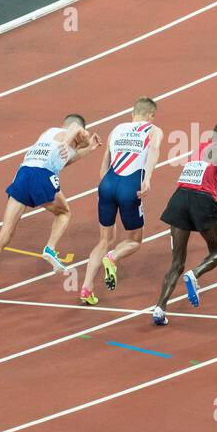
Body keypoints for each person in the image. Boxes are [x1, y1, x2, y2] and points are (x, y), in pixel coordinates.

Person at [0, 115, 102, 302]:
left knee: (4, 236)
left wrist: (88, 149)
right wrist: (68, 142)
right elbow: (75, 128)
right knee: (64, 213)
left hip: (22, 175)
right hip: (41, 175)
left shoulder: (47, 133)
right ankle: (50, 248)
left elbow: (65, 160)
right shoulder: (72, 131)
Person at [150, 123, 217, 325]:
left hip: (180, 199)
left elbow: (204, 182)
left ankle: (159, 308)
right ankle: (195, 274)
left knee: (176, 263)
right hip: (202, 203)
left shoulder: (199, 148)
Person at [78, 97, 163, 305]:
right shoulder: (153, 130)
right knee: (134, 240)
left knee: (104, 240)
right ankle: (113, 258)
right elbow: (153, 150)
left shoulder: (117, 129)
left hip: (107, 184)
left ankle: (86, 288)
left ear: (132, 112)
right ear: (150, 115)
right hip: (130, 186)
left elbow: (105, 160)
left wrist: (105, 188)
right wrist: (148, 178)